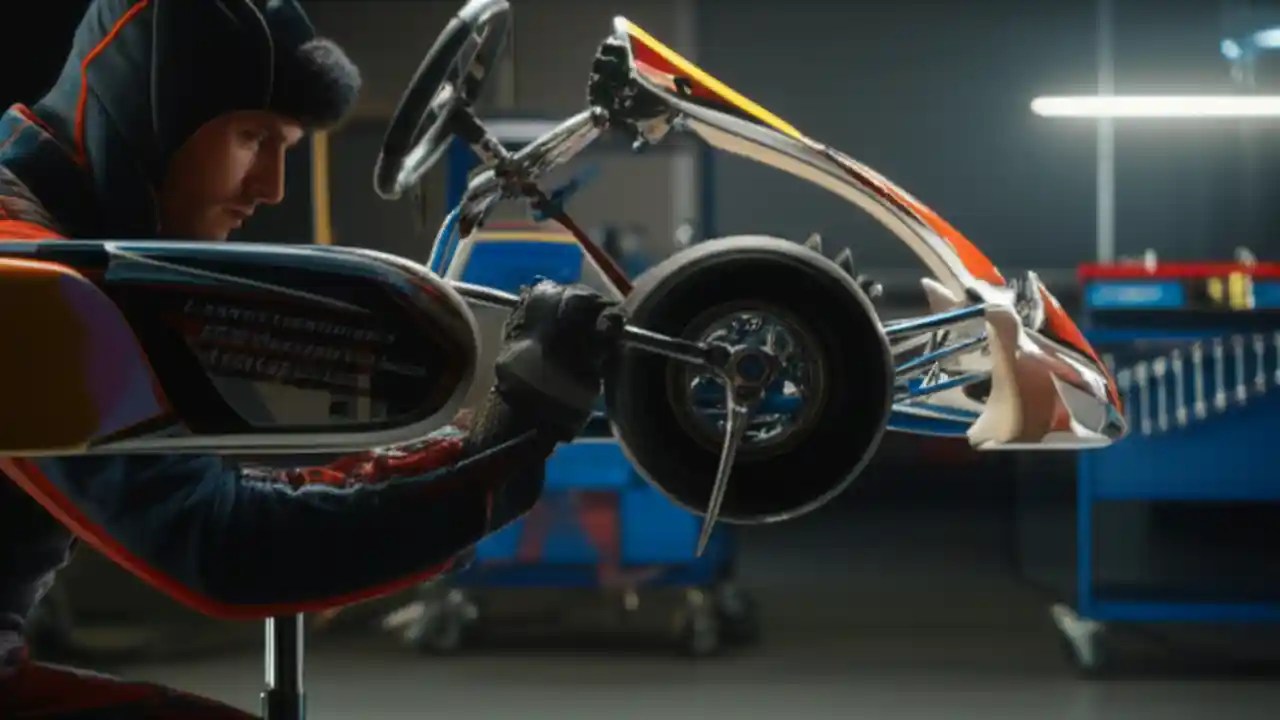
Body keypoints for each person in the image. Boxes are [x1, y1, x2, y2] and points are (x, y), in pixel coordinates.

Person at [0, 1, 614, 716]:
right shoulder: (27, 279)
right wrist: (498, 467)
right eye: (253, 138)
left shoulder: (70, 249)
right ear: (148, 114)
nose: (272, 187)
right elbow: (218, 545)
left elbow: (221, 471)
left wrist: (463, 455)